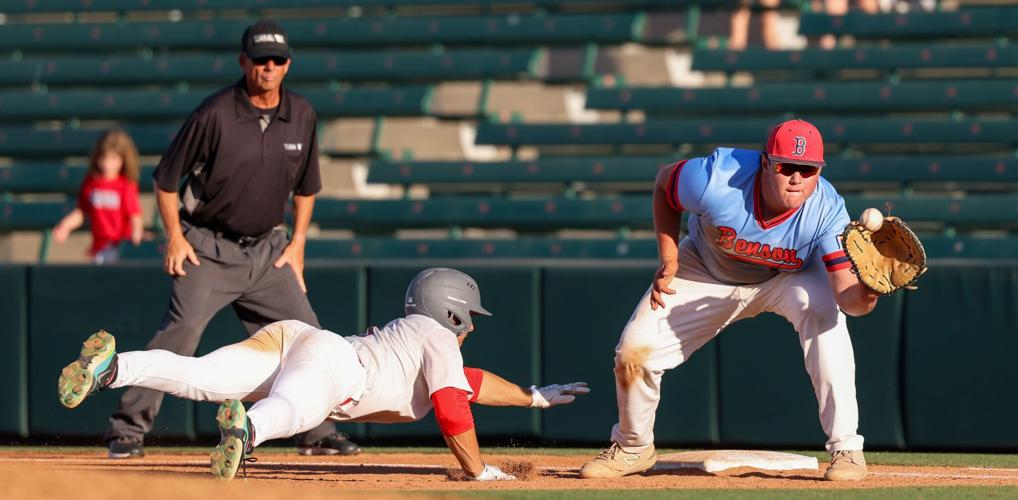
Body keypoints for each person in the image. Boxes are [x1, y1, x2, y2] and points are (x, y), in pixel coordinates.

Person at [101, 19, 359, 459]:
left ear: (288, 64)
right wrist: (175, 239)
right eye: (260, 60)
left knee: (310, 339)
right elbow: (165, 181)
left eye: (277, 60)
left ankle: (318, 433)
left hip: (268, 251)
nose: (269, 67)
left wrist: (298, 245)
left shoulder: (302, 115)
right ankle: (127, 429)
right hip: (208, 248)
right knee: (180, 332)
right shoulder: (214, 113)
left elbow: (308, 189)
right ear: (244, 63)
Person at [58, 268, 590, 480]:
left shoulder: (422, 340)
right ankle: (247, 432)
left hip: (300, 339)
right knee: (300, 409)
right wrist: (477, 470)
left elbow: (466, 384)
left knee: (202, 376)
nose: (470, 326)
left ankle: (112, 368)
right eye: (469, 317)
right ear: (452, 312)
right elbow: (452, 407)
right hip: (336, 364)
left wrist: (533, 399)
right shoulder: (438, 338)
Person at [579, 119, 878, 481]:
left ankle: (847, 449)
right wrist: (669, 258)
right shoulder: (717, 178)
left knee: (826, 316)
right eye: (786, 167)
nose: (797, 178)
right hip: (705, 268)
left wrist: (871, 291)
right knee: (633, 352)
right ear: (766, 163)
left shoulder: (827, 210)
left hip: (787, 278)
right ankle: (633, 447)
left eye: (808, 169)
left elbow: (851, 301)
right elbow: (664, 183)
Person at [52, 129, 143, 264]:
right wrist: (65, 226)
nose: (107, 163)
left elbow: (134, 213)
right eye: (104, 157)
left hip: (119, 246)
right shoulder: (91, 182)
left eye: (113, 158)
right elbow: (82, 211)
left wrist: (137, 233)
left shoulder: (125, 185)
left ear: (123, 160)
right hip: (98, 247)